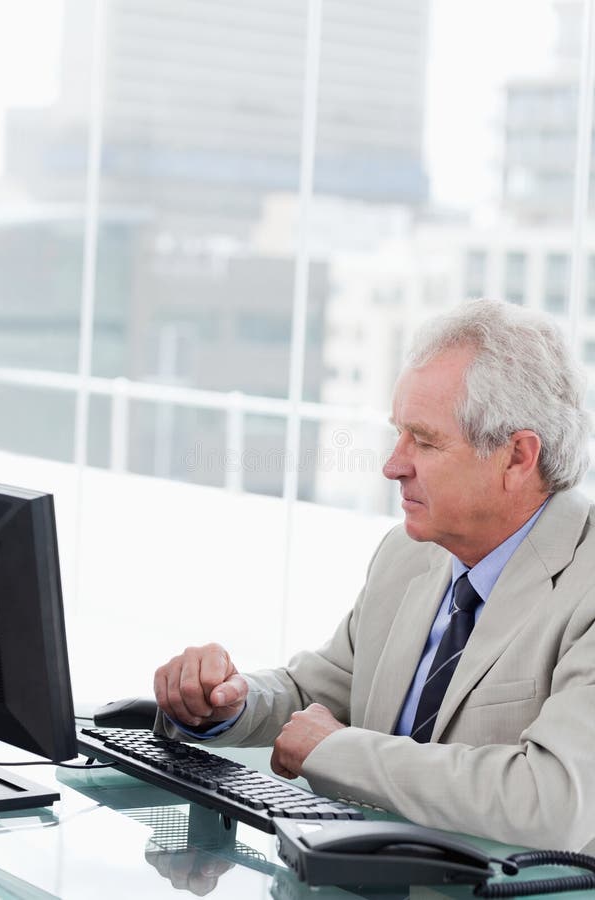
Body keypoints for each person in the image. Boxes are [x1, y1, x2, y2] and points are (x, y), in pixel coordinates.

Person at [154, 298, 595, 851]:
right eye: (398, 433)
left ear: (517, 457)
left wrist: (335, 752)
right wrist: (227, 702)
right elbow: (317, 694)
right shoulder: (408, 555)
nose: (392, 464)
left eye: (425, 440)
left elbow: (552, 802)